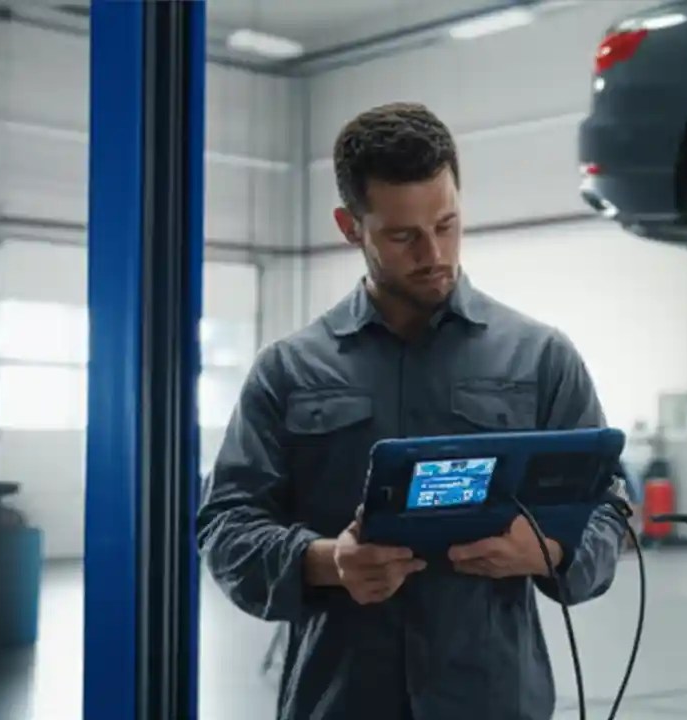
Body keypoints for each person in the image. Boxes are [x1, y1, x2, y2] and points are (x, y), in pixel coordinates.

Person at [197, 102, 627, 720]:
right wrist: (324, 563)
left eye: (447, 224)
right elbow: (226, 524)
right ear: (351, 226)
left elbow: (609, 502)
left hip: (494, 699)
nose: (434, 253)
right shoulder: (288, 371)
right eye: (403, 236)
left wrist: (551, 553)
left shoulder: (539, 358)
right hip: (343, 699)